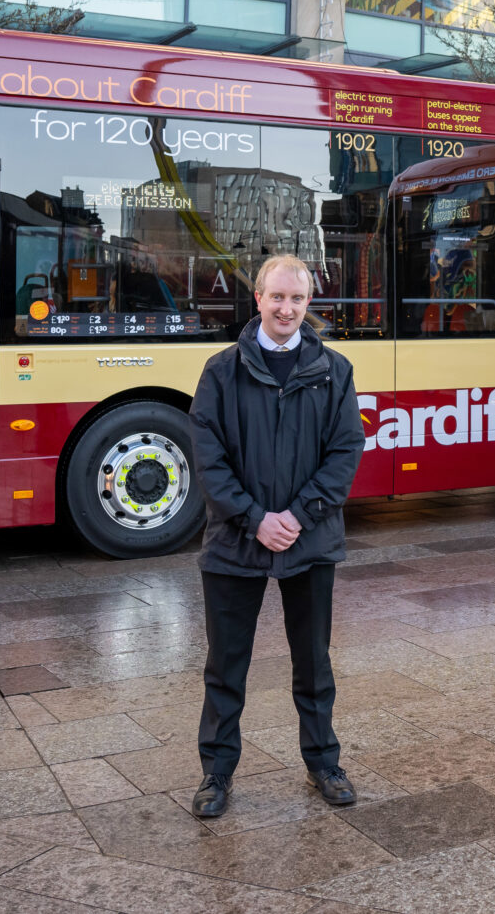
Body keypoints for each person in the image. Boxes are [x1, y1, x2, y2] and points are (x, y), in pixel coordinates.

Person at [188, 254, 365, 819]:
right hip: (235, 541)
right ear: (258, 299)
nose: (286, 309)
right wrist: (254, 518)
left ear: (308, 304)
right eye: (277, 297)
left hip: (308, 540)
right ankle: (216, 773)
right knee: (225, 666)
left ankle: (323, 763)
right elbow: (208, 458)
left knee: (314, 663)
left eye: (297, 299)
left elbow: (345, 451)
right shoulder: (221, 371)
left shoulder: (335, 370)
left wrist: (298, 515)